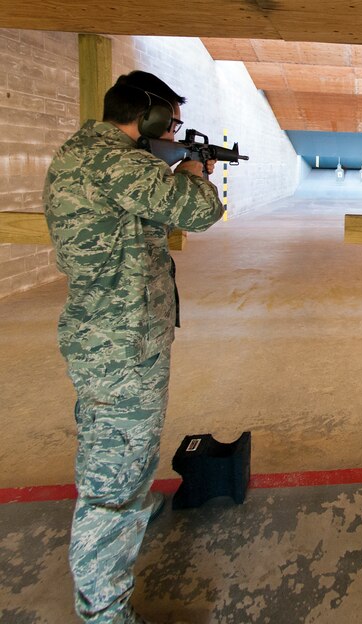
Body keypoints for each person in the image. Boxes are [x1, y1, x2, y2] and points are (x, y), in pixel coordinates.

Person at [43, 70, 224, 623]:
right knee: (112, 488)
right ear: (147, 116)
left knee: (118, 462)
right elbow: (201, 212)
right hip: (122, 344)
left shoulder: (84, 155)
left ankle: (129, 516)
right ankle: (104, 613)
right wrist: (194, 173)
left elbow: (136, 221)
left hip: (109, 338)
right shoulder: (118, 163)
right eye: (171, 124)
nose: (172, 133)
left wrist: (177, 167)